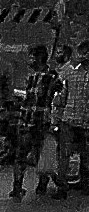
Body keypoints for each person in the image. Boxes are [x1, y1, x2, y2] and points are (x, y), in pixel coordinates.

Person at [54, 39, 89, 194]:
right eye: (83, 53)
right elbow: (61, 94)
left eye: (88, 53)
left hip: (87, 120)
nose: (85, 56)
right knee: (65, 154)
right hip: (68, 118)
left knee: (86, 153)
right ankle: (62, 187)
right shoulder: (69, 72)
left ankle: (84, 184)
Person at [8, 49, 54, 200]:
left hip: (30, 121)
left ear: (39, 59)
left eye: (31, 57)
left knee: (21, 155)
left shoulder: (40, 77)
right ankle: (41, 186)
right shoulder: (53, 76)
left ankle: (17, 187)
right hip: (40, 122)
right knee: (42, 155)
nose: (29, 60)